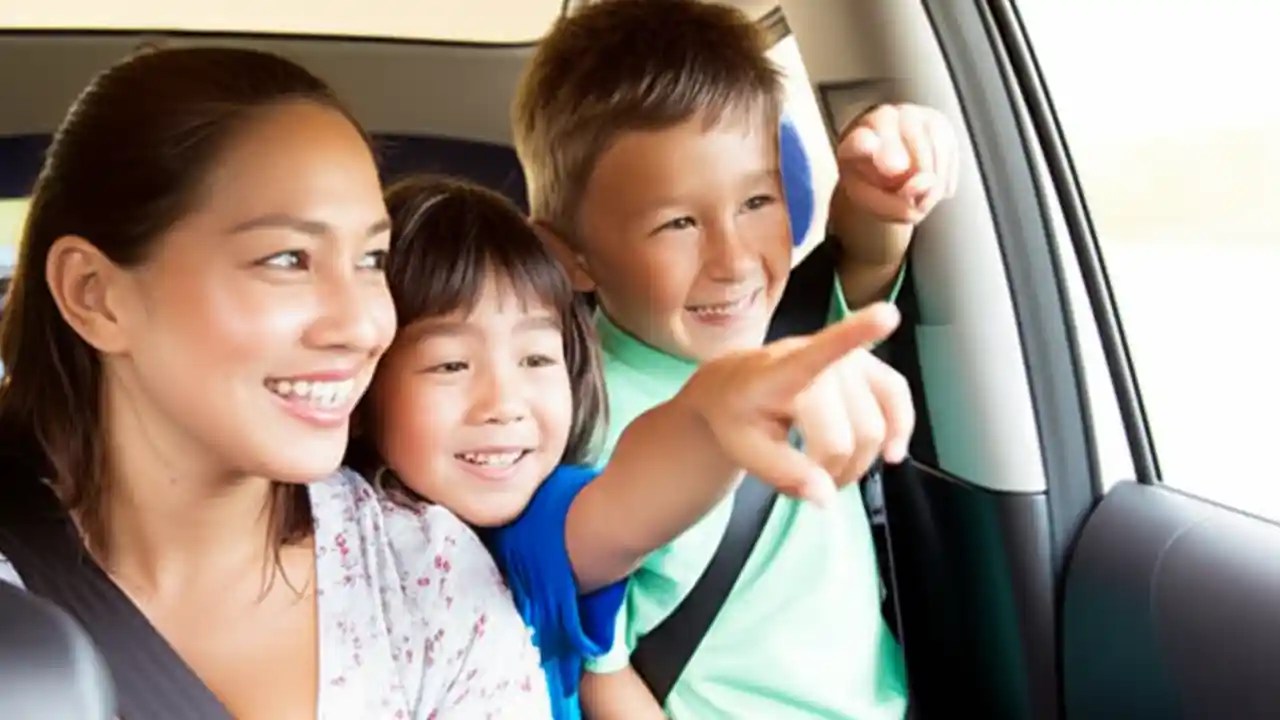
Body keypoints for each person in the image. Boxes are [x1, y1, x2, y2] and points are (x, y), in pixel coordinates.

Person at [0, 46, 549, 719]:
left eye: (372, 258)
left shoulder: (421, 579)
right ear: (96, 295)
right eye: (288, 259)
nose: (364, 324)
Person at [510, 1, 961, 717]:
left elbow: (864, 260)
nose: (733, 260)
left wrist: (888, 185)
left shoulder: (787, 338)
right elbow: (600, 667)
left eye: (757, 201)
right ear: (570, 256)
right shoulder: (581, 419)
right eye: (678, 223)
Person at [350, 175, 912, 720]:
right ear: (365, 380)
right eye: (450, 364)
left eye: (536, 359)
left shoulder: (538, 523)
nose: (503, 402)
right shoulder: (330, 528)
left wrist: (713, 413)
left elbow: (623, 508)